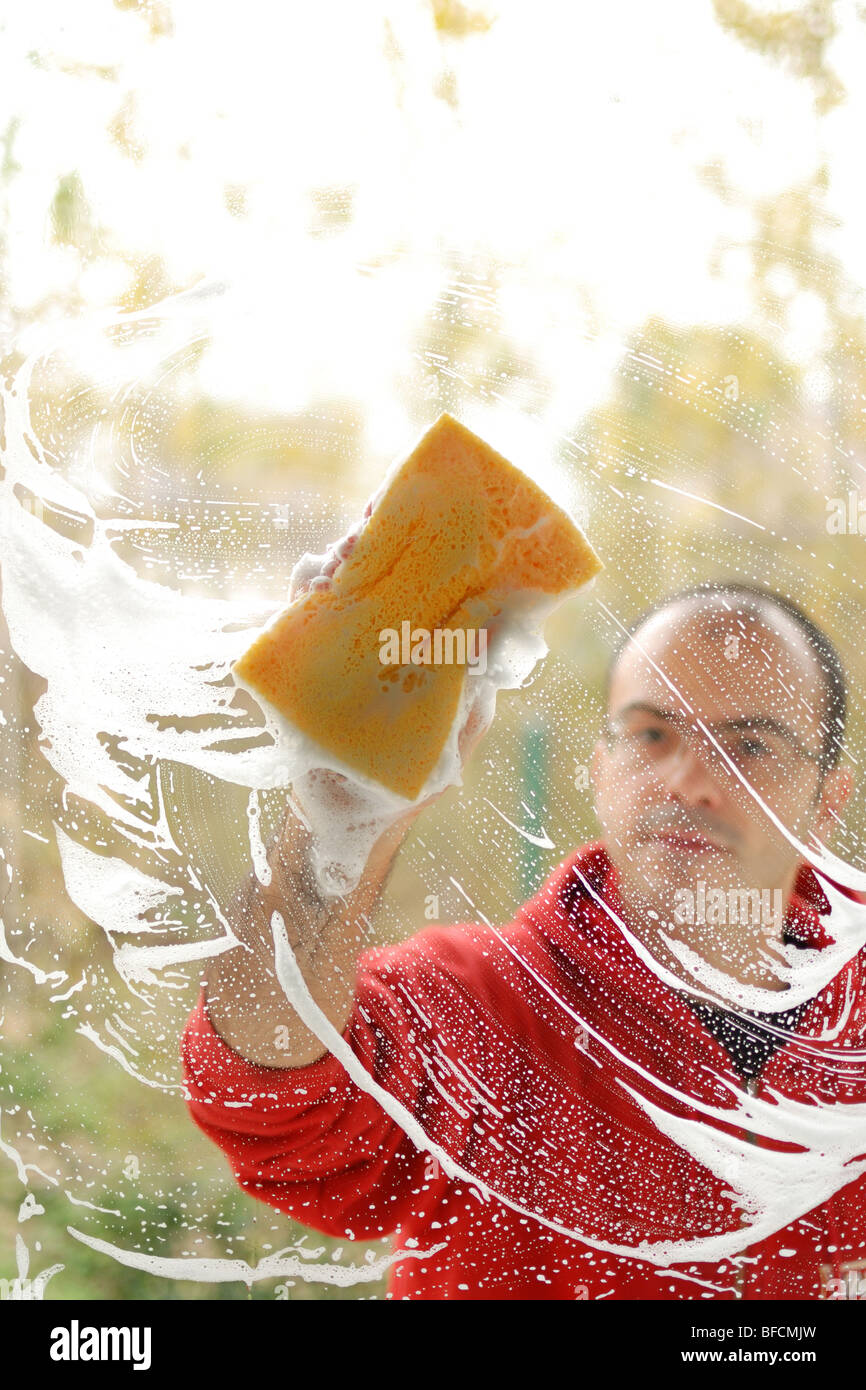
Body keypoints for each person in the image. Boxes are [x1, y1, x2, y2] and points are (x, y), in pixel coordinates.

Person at [180, 579, 866, 1299]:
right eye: (651, 735)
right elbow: (266, 1092)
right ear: (601, 772)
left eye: (750, 745)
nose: (689, 783)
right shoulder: (477, 1010)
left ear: (827, 802)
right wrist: (338, 823)